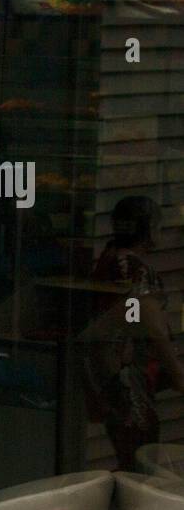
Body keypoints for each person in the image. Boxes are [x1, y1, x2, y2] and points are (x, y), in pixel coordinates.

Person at [80, 195, 184, 468]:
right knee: (141, 459)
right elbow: (153, 327)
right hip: (127, 378)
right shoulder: (137, 270)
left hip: (108, 373)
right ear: (147, 229)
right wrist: (177, 373)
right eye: (158, 226)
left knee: (129, 454)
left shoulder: (109, 259)